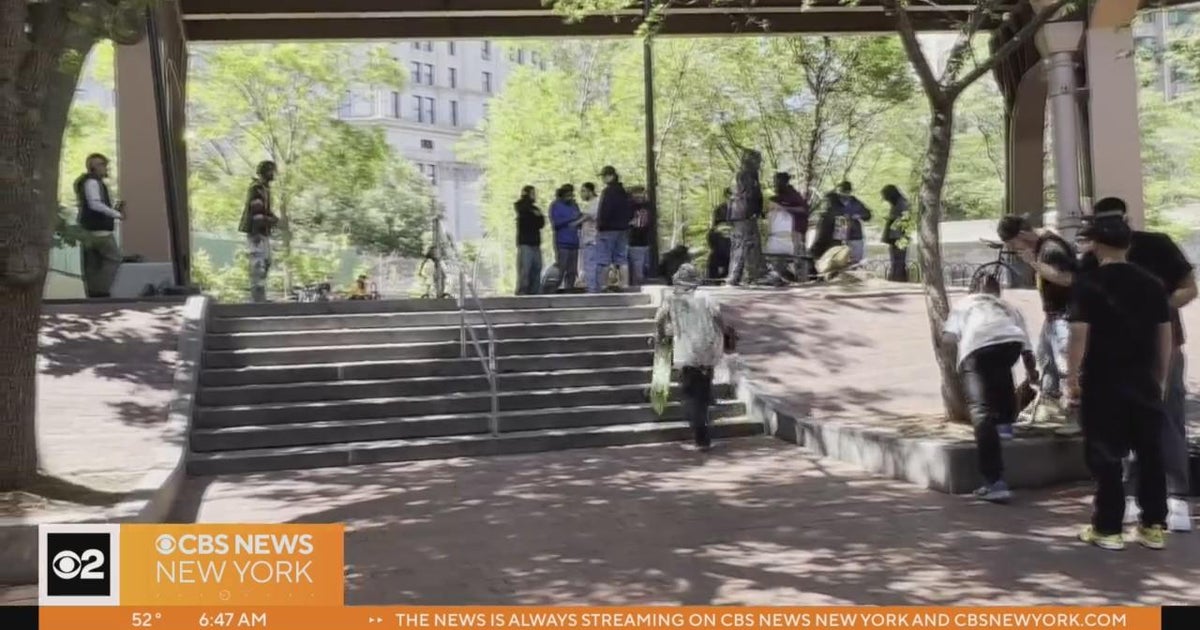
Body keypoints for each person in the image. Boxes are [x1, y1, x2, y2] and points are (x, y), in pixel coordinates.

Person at [1049, 197, 1196, 532]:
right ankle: (1137, 505)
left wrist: (1150, 312)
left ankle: (1174, 498)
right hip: (1128, 353)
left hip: (1157, 348)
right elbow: (1076, 294)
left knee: (1163, 422)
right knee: (1129, 429)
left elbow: (1189, 288)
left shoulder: (1158, 245)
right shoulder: (1090, 261)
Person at [1067, 216, 1171, 551]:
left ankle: (1108, 528)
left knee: (1105, 452)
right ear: (1129, 244)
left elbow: (1078, 334)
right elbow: (1164, 335)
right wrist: (1162, 376)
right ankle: (1153, 524)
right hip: (1143, 379)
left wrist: (1072, 378)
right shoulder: (1153, 283)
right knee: (1150, 451)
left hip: (1102, 379)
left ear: (1096, 244)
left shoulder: (1089, 283)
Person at [943, 275, 1039, 503]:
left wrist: (951, 358)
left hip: (976, 349)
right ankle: (1005, 426)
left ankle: (994, 481)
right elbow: (1026, 346)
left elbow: (948, 339)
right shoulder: (1008, 307)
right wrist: (1032, 372)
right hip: (1010, 345)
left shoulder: (964, 304)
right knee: (1002, 374)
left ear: (971, 289)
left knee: (980, 409)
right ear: (997, 292)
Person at [997, 215, 1077, 428]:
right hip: (1053, 315)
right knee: (1046, 360)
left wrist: (1033, 262)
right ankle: (1049, 408)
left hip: (1065, 315)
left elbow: (1068, 278)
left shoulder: (1051, 248)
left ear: (1023, 235)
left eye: (1014, 245)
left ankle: (1075, 414)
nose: (1015, 250)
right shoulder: (1043, 247)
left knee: (1065, 365)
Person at [655, 263, 734, 451]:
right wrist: (726, 331)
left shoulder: (671, 299)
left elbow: (659, 318)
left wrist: (661, 335)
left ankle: (700, 432)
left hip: (685, 351)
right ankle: (702, 425)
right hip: (707, 350)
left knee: (690, 393)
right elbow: (716, 316)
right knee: (703, 390)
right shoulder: (705, 297)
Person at [75, 153, 126, 298]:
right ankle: (101, 291)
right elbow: (95, 203)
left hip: (87, 229)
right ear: (93, 167)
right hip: (100, 230)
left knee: (92, 264)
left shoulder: (85, 182)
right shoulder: (93, 182)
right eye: (102, 165)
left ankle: (92, 292)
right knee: (113, 259)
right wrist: (115, 214)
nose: (105, 168)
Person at [238, 161, 279, 303]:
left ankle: (260, 297)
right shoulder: (257, 188)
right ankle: (257, 299)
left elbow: (264, 211)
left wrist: (273, 219)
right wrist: (269, 221)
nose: (274, 174)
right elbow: (257, 213)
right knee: (258, 264)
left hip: (263, 232)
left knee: (266, 261)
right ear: (266, 172)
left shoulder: (264, 188)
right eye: (272, 171)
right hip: (257, 232)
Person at [726, 149, 765, 287]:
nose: (759, 163)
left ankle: (740, 276)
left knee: (741, 244)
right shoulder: (748, 175)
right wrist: (755, 211)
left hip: (738, 214)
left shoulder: (738, 175)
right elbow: (751, 194)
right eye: (757, 160)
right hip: (745, 214)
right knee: (746, 244)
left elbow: (731, 196)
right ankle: (746, 276)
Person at [594, 166, 633, 292]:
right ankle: (625, 285)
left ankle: (603, 286)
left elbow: (605, 211)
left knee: (604, 258)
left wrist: (600, 225)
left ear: (611, 176)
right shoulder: (624, 192)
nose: (603, 178)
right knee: (622, 259)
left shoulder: (608, 192)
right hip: (623, 229)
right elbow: (631, 211)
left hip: (608, 230)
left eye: (604, 176)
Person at [769, 172, 810, 281]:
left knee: (797, 255)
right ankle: (785, 276)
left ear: (784, 182)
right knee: (780, 256)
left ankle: (801, 278)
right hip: (780, 231)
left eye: (777, 182)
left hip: (795, 229)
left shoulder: (793, 195)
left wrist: (784, 208)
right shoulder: (778, 196)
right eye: (774, 182)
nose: (775, 184)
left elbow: (803, 210)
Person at [549, 184, 584, 291]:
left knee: (572, 270)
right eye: (568, 195)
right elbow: (556, 223)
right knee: (561, 268)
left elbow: (579, 219)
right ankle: (554, 289)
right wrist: (571, 218)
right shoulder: (555, 205)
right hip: (562, 242)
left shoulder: (574, 205)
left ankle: (569, 289)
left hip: (574, 242)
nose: (570, 197)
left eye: (571, 195)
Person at [514, 185, 545, 295]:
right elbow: (524, 214)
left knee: (537, 267)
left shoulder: (536, 209)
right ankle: (522, 291)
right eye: (532, 193)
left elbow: (541, 223)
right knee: (525, 269)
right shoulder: (521, 207)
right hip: (525, 243)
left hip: (535, 243)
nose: (534, 196)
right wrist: (534, 215)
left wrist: (536, 215)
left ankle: (534, 291)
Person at [837, 181, 872, 264]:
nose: (845, 194)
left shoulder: (856, 203)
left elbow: (868, 215)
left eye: (846, 191)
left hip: (856, 237)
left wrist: (859, 216)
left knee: (856, 262)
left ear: (850, 191)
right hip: (839, 236)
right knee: (840, 262)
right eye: (842, 191)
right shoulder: (835, 203)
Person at [881, 185, 911, 283]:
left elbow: (905, 220)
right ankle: (896, 279)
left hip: (901, 237)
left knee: (899, 261)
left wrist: (892, 219)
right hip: (895, 237)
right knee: (896, 260)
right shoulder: (897, 204)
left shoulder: (902, 204)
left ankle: (898, 280)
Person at [810, 191, 847, 263]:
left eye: (825, 202)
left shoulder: (827, 216)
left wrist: (814, 249)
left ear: (829, 202)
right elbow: (842, 236)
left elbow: (822, 235)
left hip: (824, 249)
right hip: (835, 249)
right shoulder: (842, 216)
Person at [628, 185, 654, 287]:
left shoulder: (649, 206)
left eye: (641, 192)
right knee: (637, 269)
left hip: (647, 242)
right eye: (636, 193)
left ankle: (644, 285)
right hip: (635, 242)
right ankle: (637, 287)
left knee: (646, 267)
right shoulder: (629, 206)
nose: (639, 195)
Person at [579, 182, 600, 292]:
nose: (581, 194)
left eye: (583, 191)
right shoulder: (591, 204)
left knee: (591, 266)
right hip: (589, 240)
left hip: (593, 240)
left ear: (590, 191)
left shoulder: (595, 203)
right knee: (590, 266)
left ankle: (593, 291)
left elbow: (588, 216)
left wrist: (573, 223)